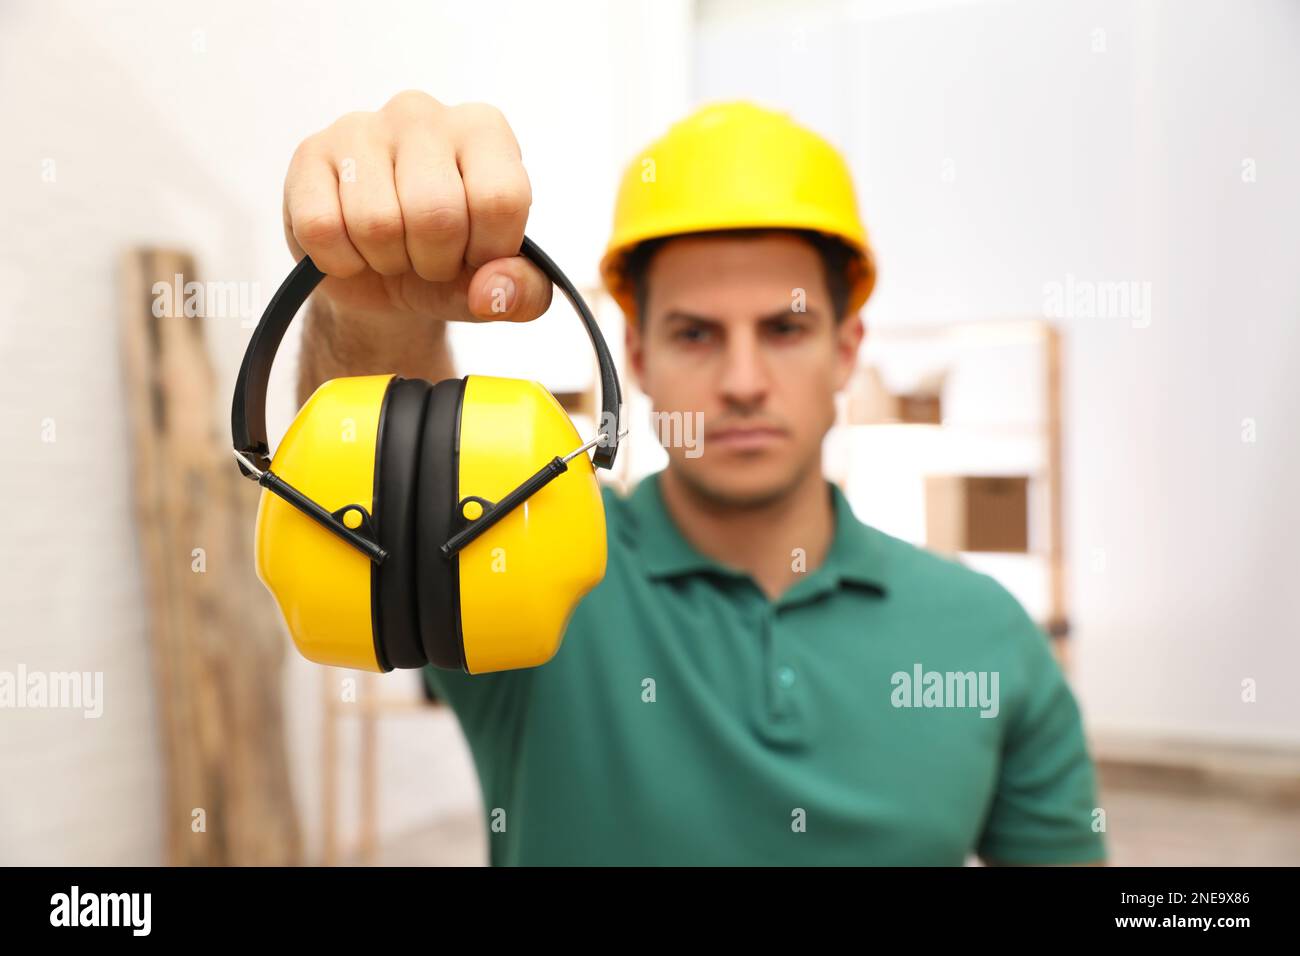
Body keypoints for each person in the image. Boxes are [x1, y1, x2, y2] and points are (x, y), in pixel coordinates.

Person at [286, 90, 1106, 866]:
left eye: (784, 329)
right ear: (637, 356)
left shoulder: (985, 636)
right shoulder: (532, 572)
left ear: (846, 350)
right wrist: (373, 315)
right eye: (696, 334)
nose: (744, 382)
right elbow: (388, 504)